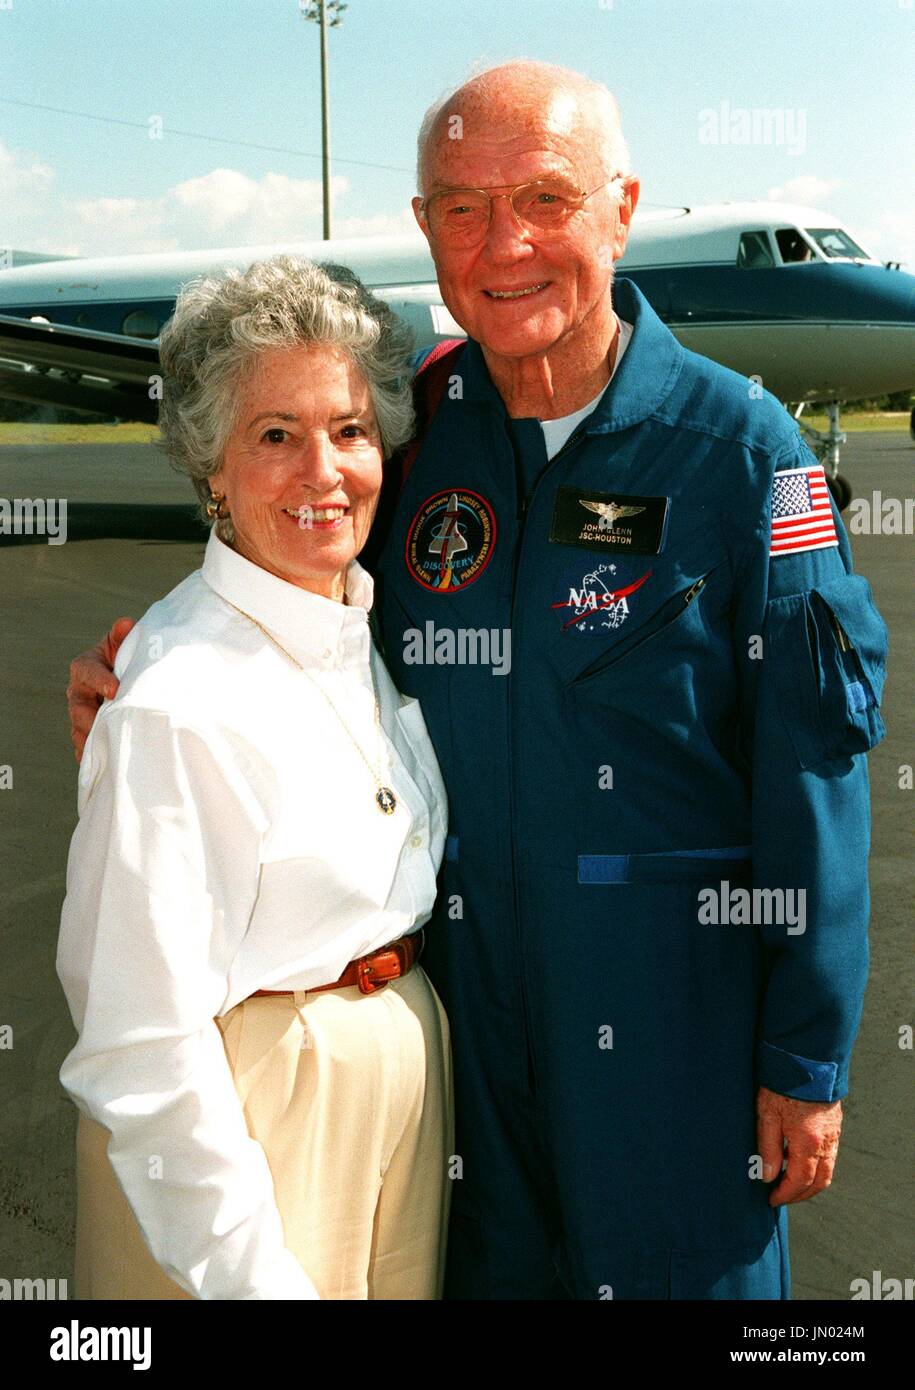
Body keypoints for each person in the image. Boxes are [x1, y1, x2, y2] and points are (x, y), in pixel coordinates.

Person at [68, 62, 889, 1301]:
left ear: (621, 210)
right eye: (462, 206)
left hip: (675, 1049)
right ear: (424, 227)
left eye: (545, 199)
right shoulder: (414, 428)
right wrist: (151, 675)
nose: (504, 243)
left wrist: (806, 1058)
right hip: (461, 1061)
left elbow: (814, 767)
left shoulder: (745, 453)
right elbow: (300, 579)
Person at [57, 255, 453, 1301]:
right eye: (275, 435)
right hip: (244, 1146)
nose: (324, 469)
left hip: (393, 1116)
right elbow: (138, 1046)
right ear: (211, 470)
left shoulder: (341, 623)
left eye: (350, 429)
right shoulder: (178, 700)